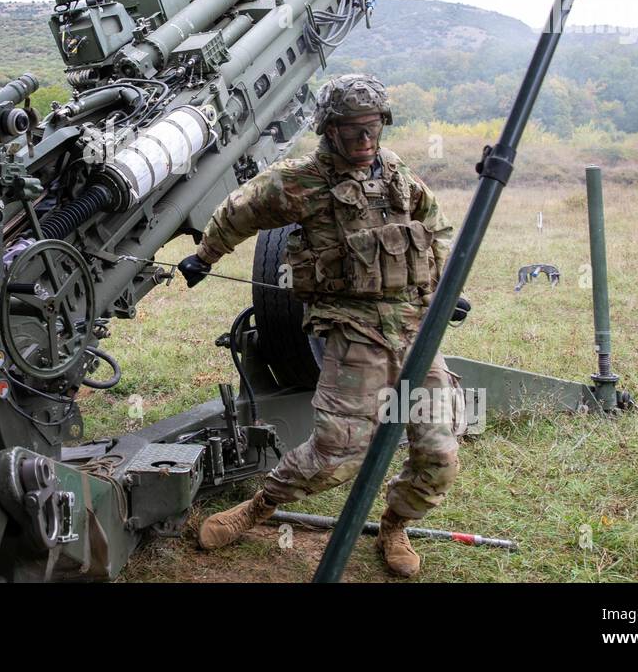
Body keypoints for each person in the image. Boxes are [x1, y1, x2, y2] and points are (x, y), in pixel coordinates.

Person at [178, 74, 466, 577]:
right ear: (329, 130)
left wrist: (447, 288)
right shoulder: (301, 181)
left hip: (415, 328)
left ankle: (395, 525)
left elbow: (435, 226)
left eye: (373, 127)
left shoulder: (397, 175)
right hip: (354, 328)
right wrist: (205, 256)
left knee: (440, 450)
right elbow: (239, 211)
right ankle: (259, 507)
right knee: (338, 453)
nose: (364, 140)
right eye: (352, 130)